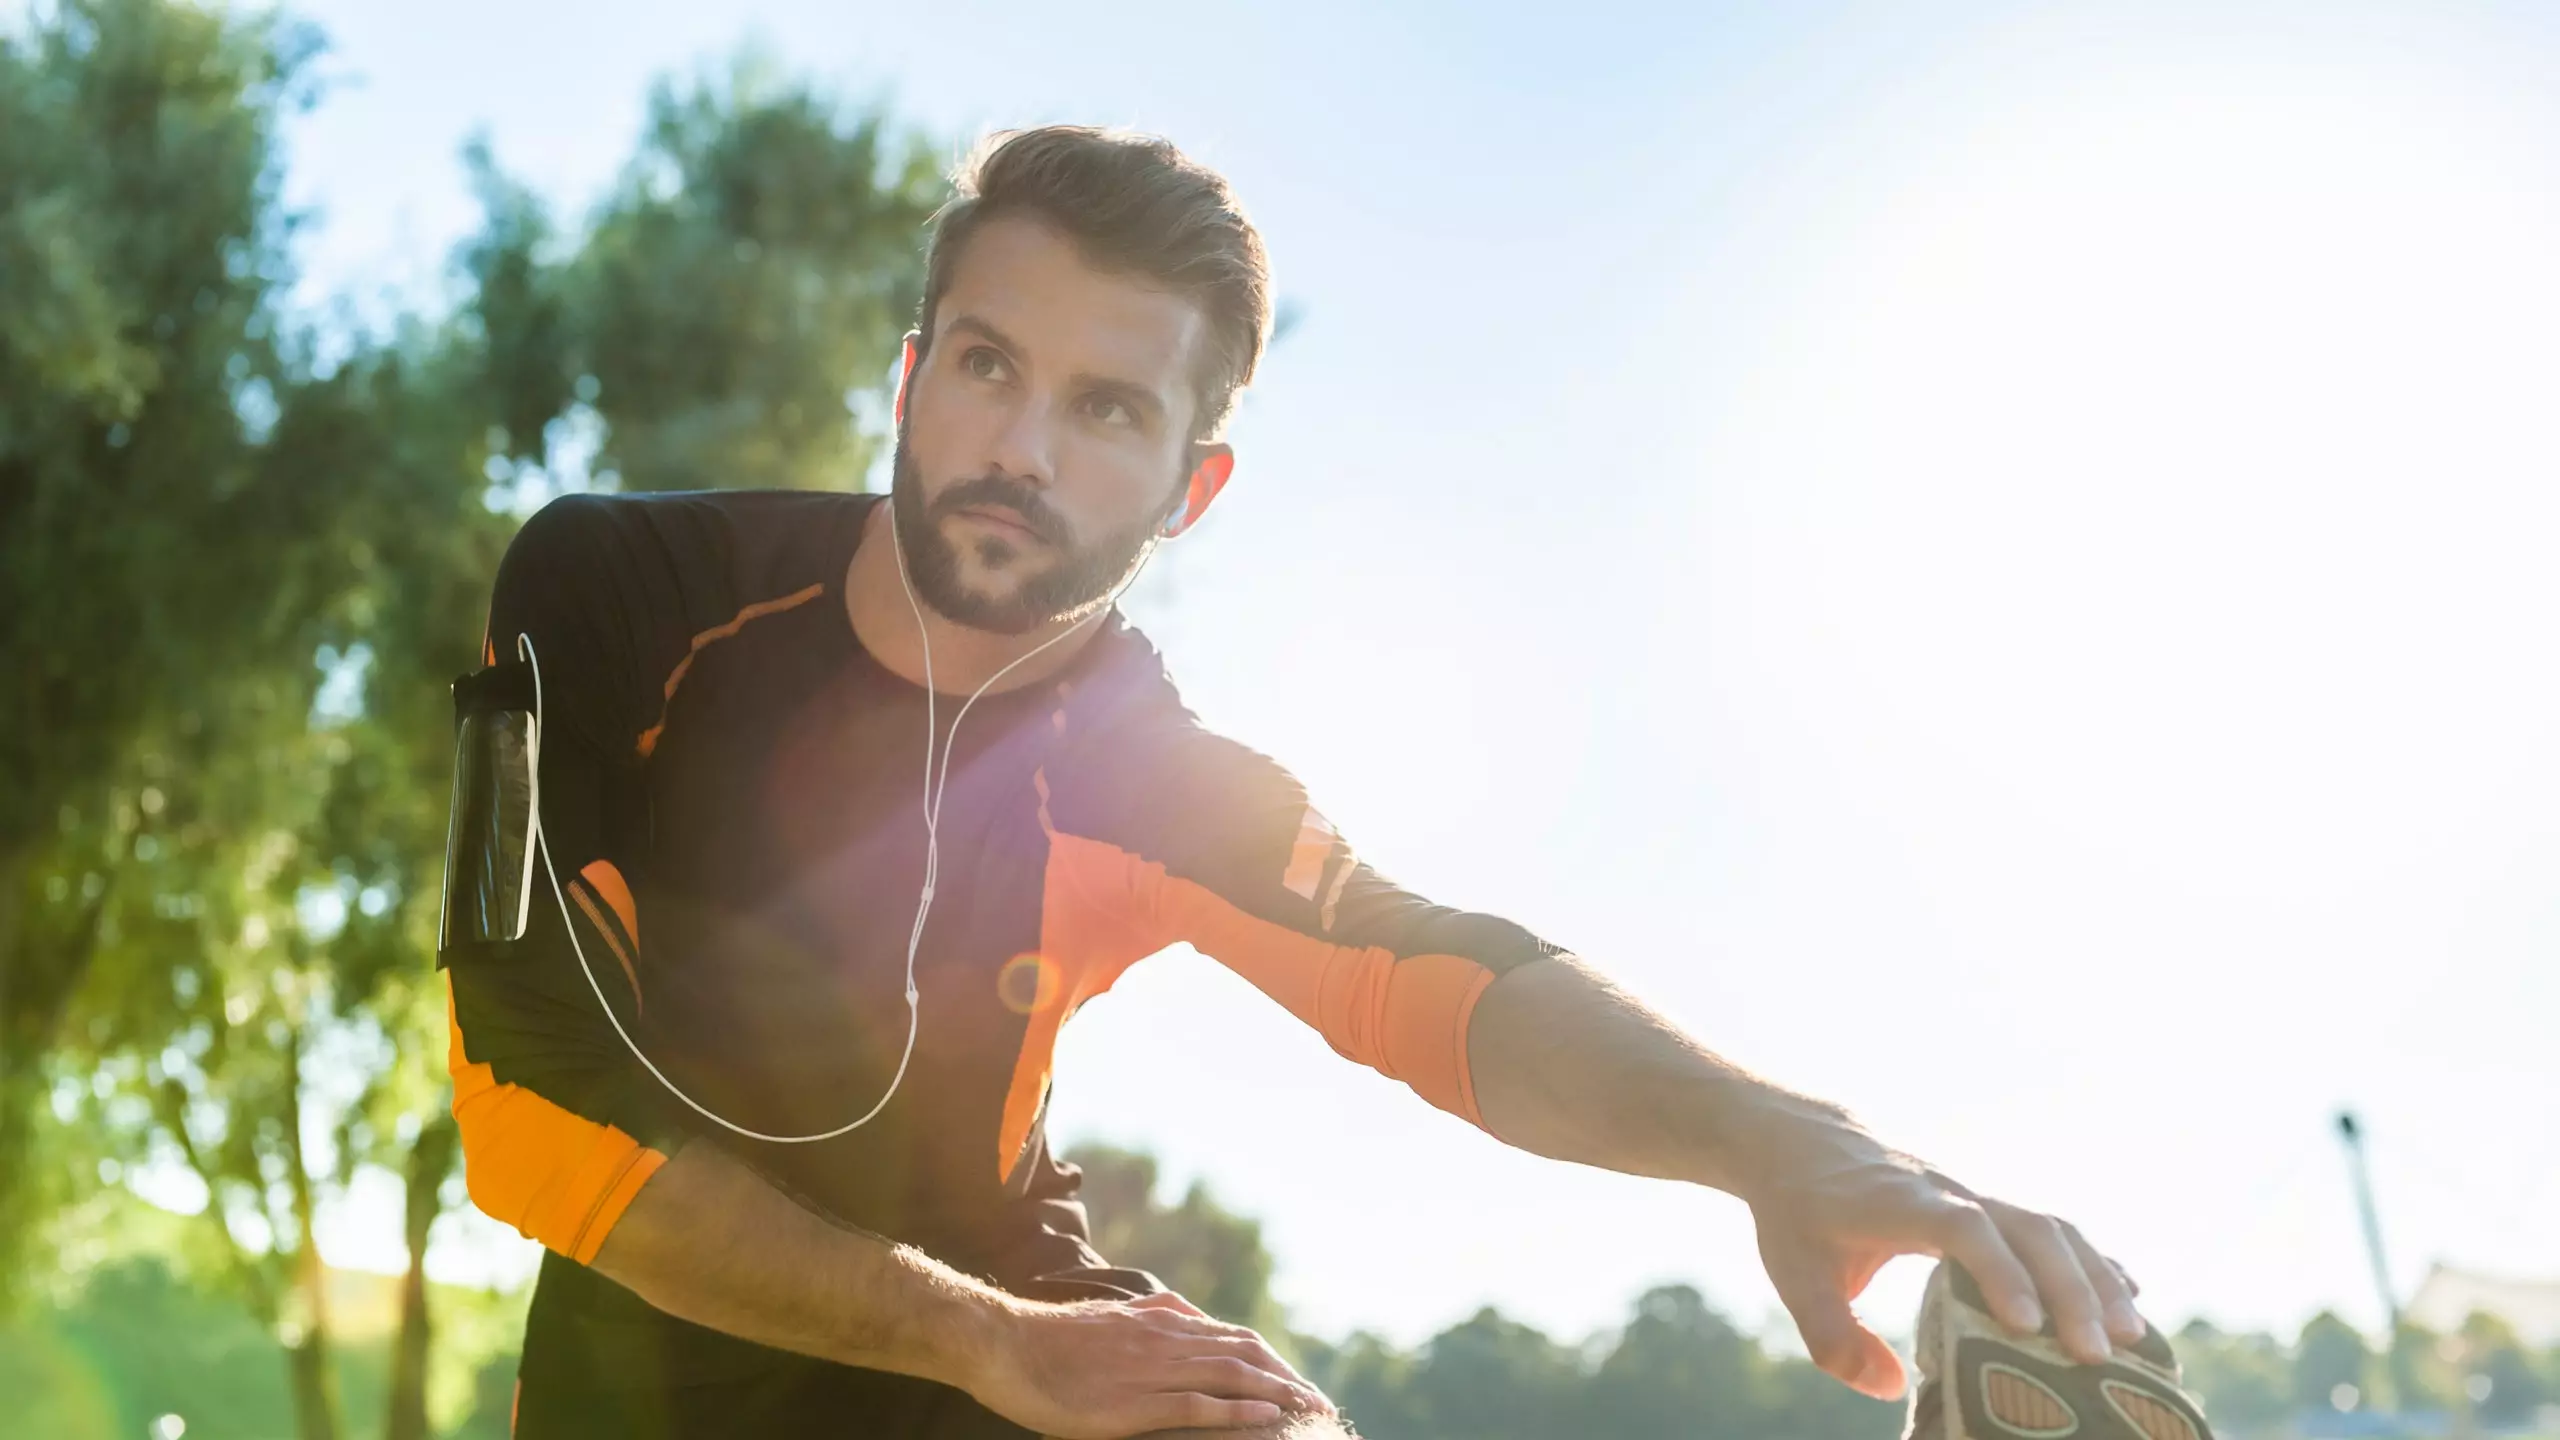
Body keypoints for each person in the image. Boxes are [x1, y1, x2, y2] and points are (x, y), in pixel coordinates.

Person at [437, 125, 2151, 1440]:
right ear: (910, 375)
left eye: (1107, 409)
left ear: (1195, 489)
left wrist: (1789, 1145)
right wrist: (994, 1341)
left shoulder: (1139, 768)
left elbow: (1429, 975)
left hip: (1037, 1345)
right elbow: (525, 1120)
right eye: (986, 366)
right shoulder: (617, 598)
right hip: (664, 1371)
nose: (1021, 449)